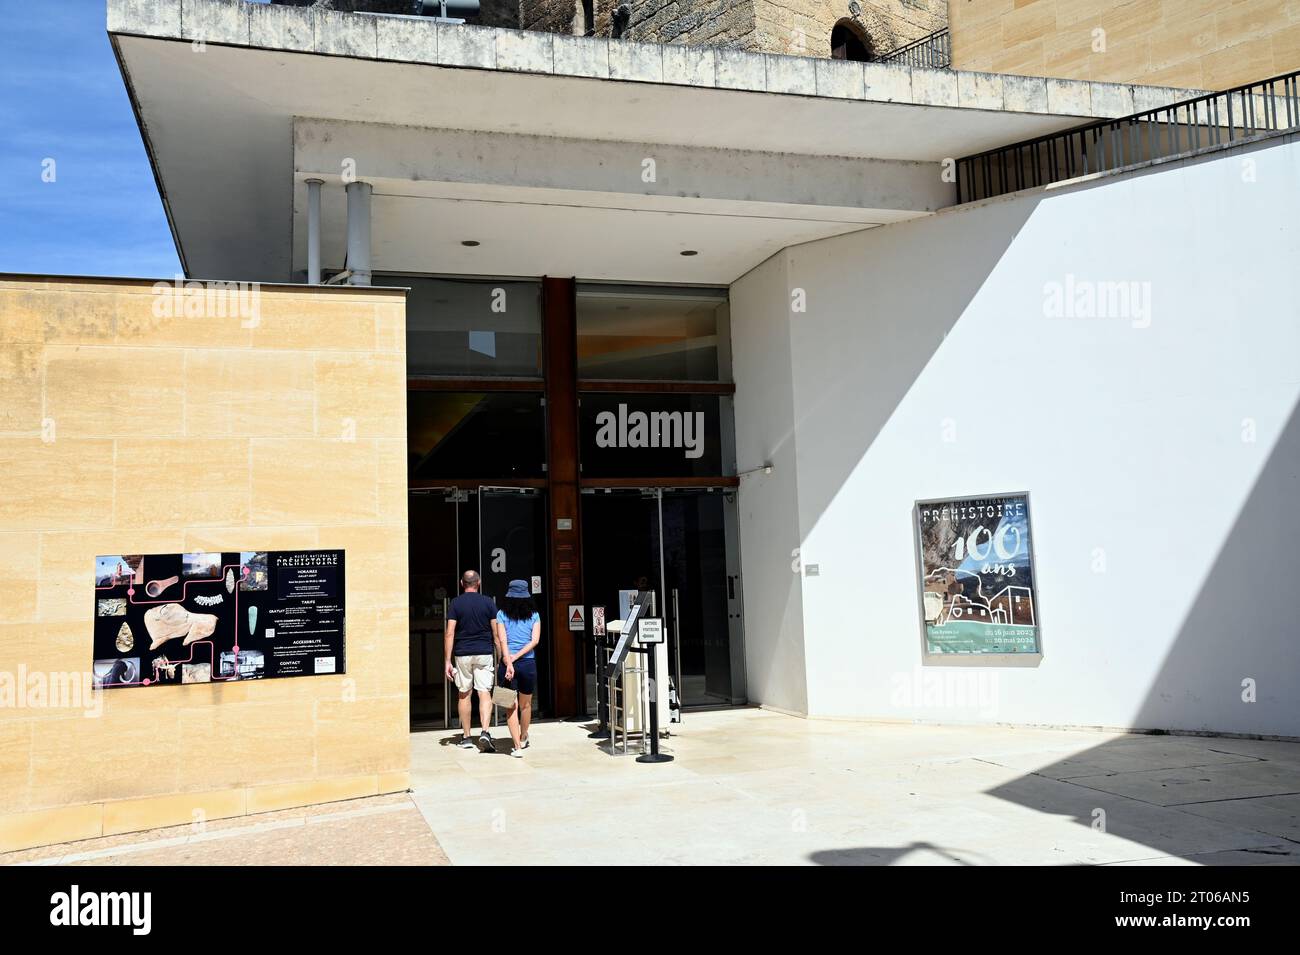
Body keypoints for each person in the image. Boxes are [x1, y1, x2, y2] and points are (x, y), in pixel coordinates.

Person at [445, 570, 500, 751]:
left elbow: (450, 633)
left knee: (464, 693)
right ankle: (484, 732)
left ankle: (467, 736)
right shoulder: (488, 603)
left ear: (462, 583)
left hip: (462, 653)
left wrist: (447, 660)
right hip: (484, 652)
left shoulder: (455, 603)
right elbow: (496, 634)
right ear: (479, 583)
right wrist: (501, 657)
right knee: (484, 692)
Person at [495, 579, 541, 758]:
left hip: (506, 664)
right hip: (528, 663)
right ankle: (523, 736)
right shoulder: (535, 615)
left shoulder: (501, 614)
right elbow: (534, 641)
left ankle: (517, 747)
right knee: (526, 704)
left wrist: (509, 661)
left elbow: (502, 640)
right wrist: (517, 657)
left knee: (509, 706)